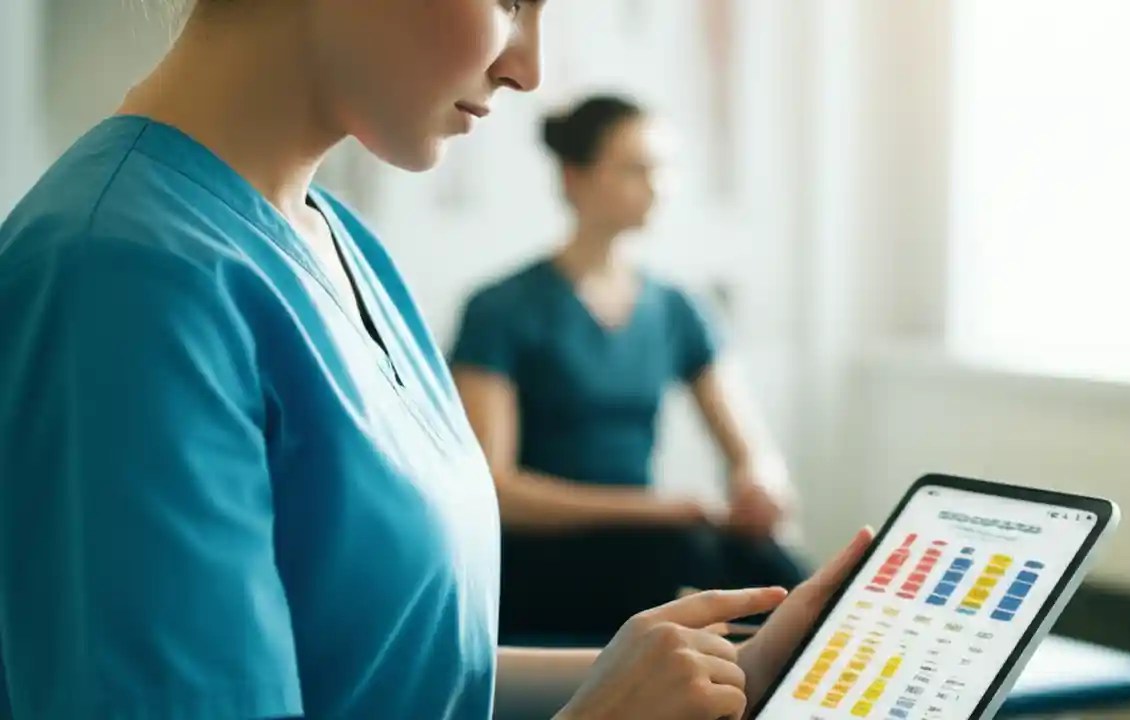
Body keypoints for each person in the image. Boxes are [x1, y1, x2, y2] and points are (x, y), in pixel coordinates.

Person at [0, 1, 873, 719]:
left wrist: (724, 674)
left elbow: (396, 676)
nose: (529, 69)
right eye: (511, 1)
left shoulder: (345, 246)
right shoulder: (121, 277)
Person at [451, 95, 809, 643]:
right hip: (543, 558)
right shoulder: (501, 309)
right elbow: (497, 491)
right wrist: (659, 510)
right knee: (685, 551)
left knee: (782, 576)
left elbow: (750, 448)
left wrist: (760, 481)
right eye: (637, 169)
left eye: (665, 168)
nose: (659, 186)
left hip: (649, 549)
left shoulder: (676, 307)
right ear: (575, 179)